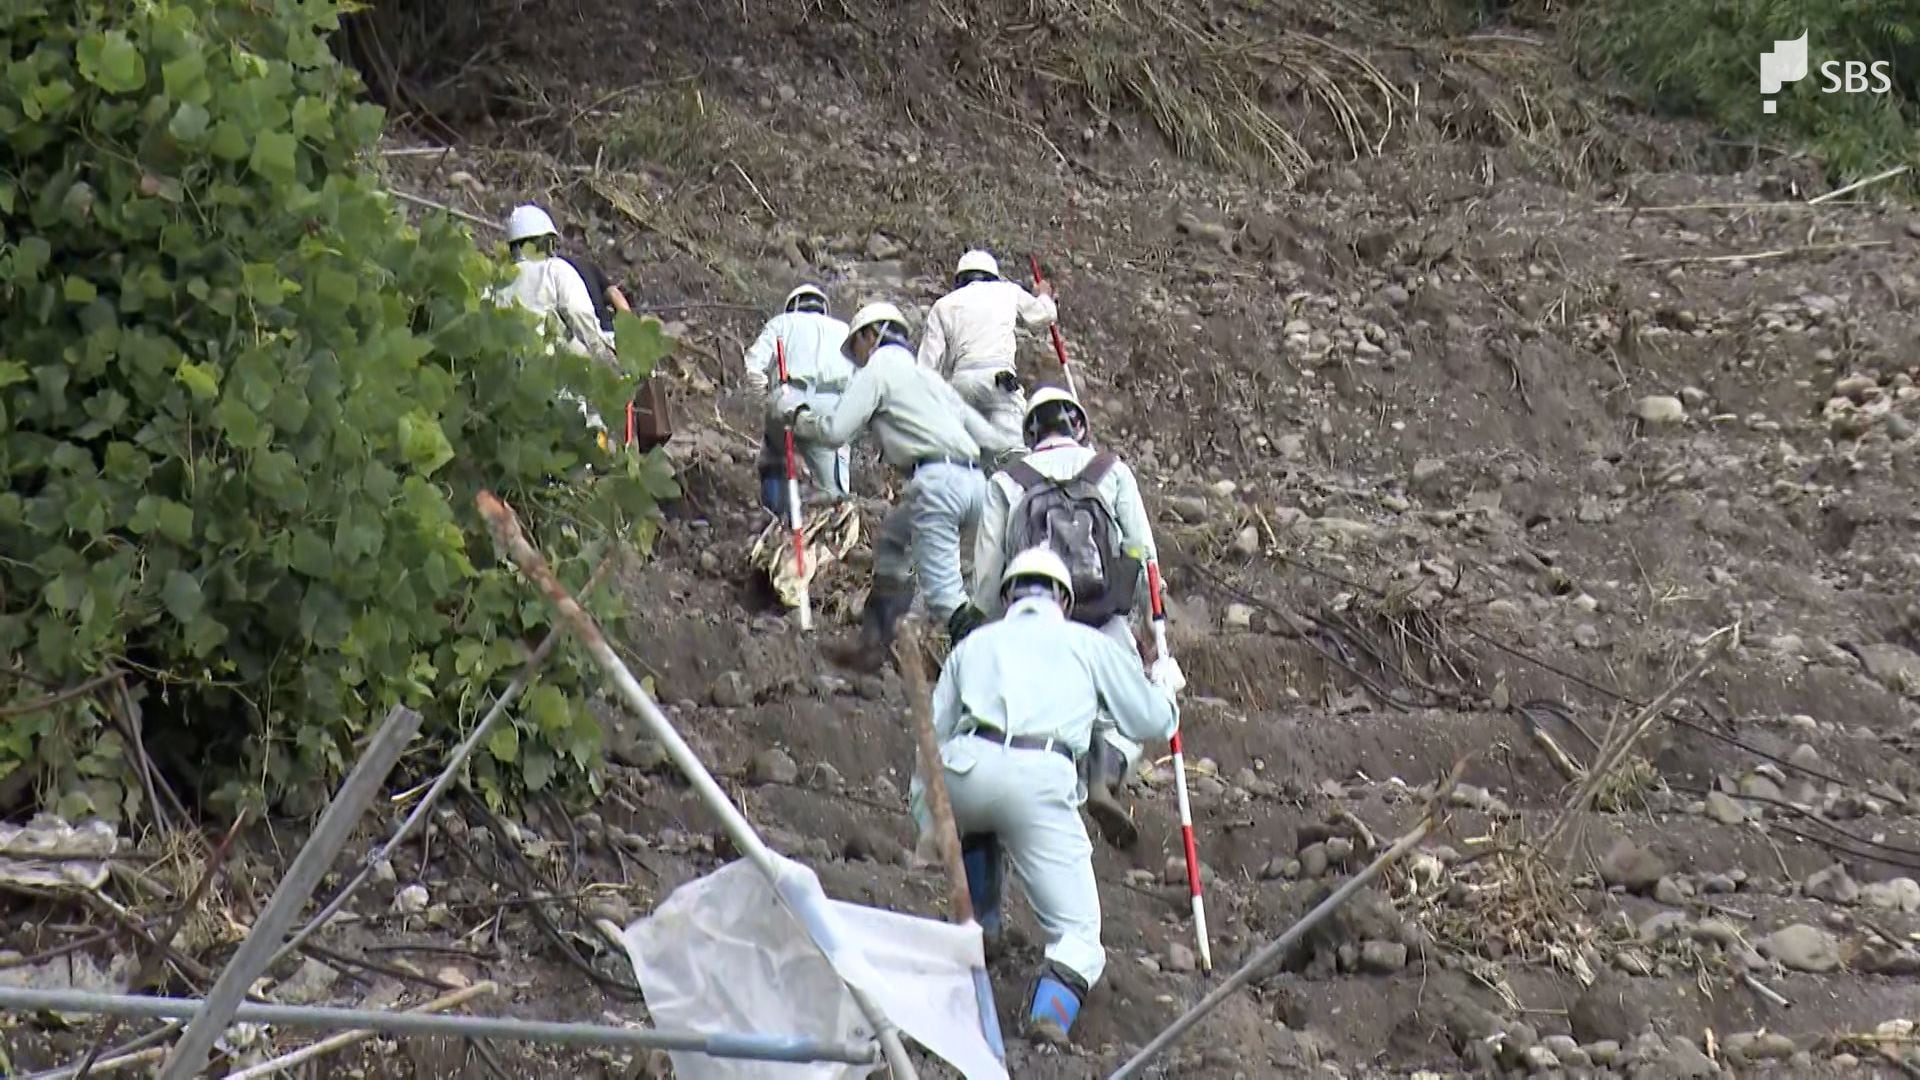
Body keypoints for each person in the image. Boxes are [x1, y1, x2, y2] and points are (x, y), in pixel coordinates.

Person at [912, 548, 1180, 1046]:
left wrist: (925, 817)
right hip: (1037, 778)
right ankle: (1048, 1019)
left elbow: (931, 736)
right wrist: (1163, 686)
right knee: (1079, 937)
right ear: (1064, 597)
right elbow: (1151, 720)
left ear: (1008, 594)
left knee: (978, 826)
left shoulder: (974, 645)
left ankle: (979, 932)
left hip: (962, 770)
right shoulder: (1084, 643)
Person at [964, 386, 1184, 849]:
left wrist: (987, 630)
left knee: (1045, 722)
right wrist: (1151, 616)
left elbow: (987, 577)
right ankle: (1105, 770)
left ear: (1030, 431)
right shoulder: (1110, 470)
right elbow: (1142, 551)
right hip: (1104, 616)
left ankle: (1054, 808)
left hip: (1035, 619)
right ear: (1079, 426)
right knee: (1126, 713)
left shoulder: (1007, 481)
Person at [777, 302, 1019, 665]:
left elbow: (835, 431)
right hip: (975, 483)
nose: (857, 359)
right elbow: (989, 437)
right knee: (894, 541)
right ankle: (876, 644)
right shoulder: (930, 379)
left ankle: (986, 670)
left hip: (937, 482)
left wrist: (795, 415)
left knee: (944, 596)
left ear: (869, 336)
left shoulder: (879, 370)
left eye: (857, 349)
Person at [496, 204, 618, 446]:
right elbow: (580, 316)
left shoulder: (500, 283)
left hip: (520, 386)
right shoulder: (556, 270)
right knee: (589, 436)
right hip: (565, 377)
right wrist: (606, 357)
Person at [917, 250, 1057, 445]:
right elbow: (1044, 314)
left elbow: (928, 365)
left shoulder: (943, 305)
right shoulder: (1008, 291)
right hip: (998, 380)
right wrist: (1043, 295)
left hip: (960, 383)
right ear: (993, 276)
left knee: (960, 452)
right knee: (1013, 451)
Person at [744, 284, 854, 514]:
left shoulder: (782, 323)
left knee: (775, 457)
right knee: (835, 492)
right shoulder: (844, 330)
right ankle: (828, 526)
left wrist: (766, 399)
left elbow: (754, 366)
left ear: (792, 306)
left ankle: (776, 517)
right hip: (833, 408)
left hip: (789, 400)